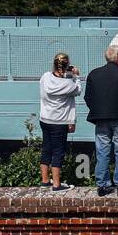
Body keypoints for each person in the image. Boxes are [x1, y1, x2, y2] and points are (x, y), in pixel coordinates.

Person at [85, 45, 118, 197]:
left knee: (102, 151)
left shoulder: (94, 74)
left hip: (100, 118)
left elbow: (88, 97)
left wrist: (97, 109)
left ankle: (103, 185)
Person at [38, 52, 81, 191]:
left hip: (45, 119)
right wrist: (75, 76)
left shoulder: (45, 77)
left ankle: (45, 180)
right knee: (58, 152)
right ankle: (57, 185)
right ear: (67, 65)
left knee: (46, 149)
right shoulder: (69, 84)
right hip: (59, 122)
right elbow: (78, 90)